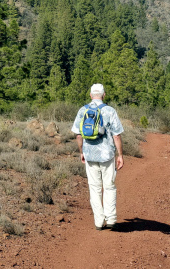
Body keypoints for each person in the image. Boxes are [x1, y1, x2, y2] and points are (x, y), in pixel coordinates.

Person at [71, 83, 124, 230]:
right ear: (104, 94)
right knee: (109, 186)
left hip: (89, 154)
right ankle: (111, 218)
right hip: (107, 155)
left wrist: (81, 152)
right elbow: (117, 135)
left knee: (94, 188)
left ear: (90, 95)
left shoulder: (83, 110)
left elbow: (78, 134)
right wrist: (120, 155)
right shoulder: (109, 110)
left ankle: (99, 221)